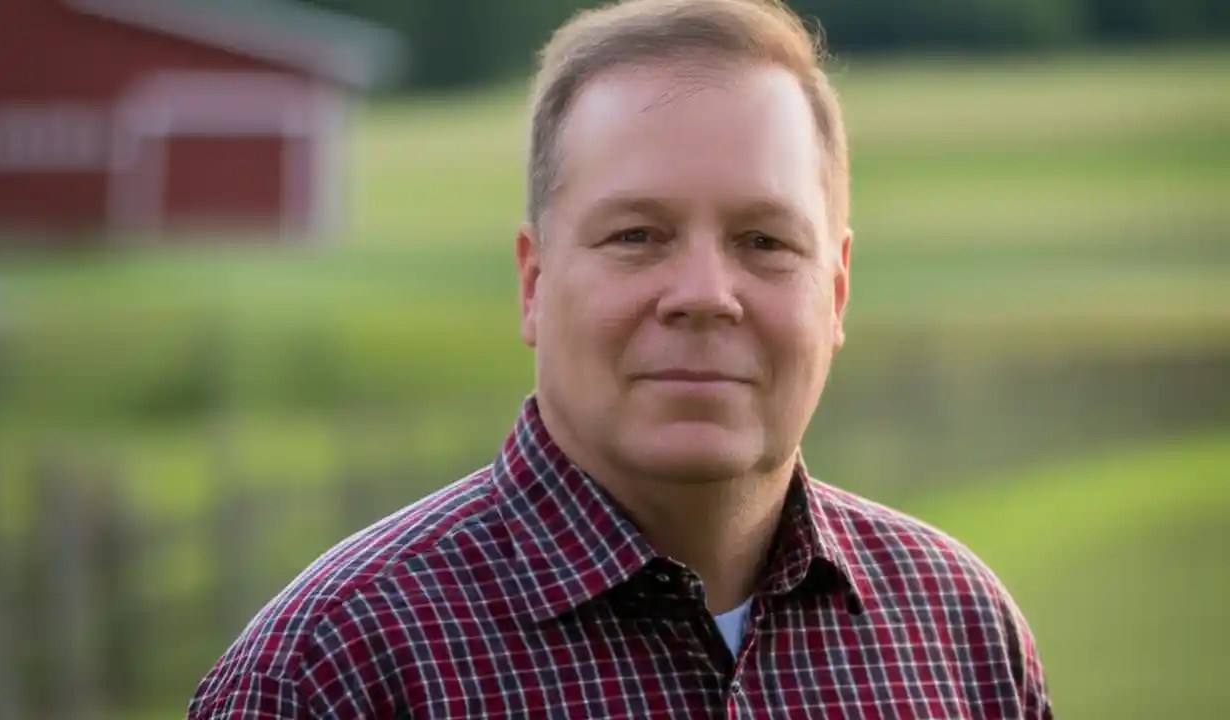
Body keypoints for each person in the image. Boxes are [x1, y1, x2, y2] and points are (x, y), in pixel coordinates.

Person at [188, 0, 1053, 717]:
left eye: (764, 240)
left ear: (835, 291)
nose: (706, 293)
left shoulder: (961, 639)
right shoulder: (331, 675)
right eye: (637, 236)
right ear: (533, 282)